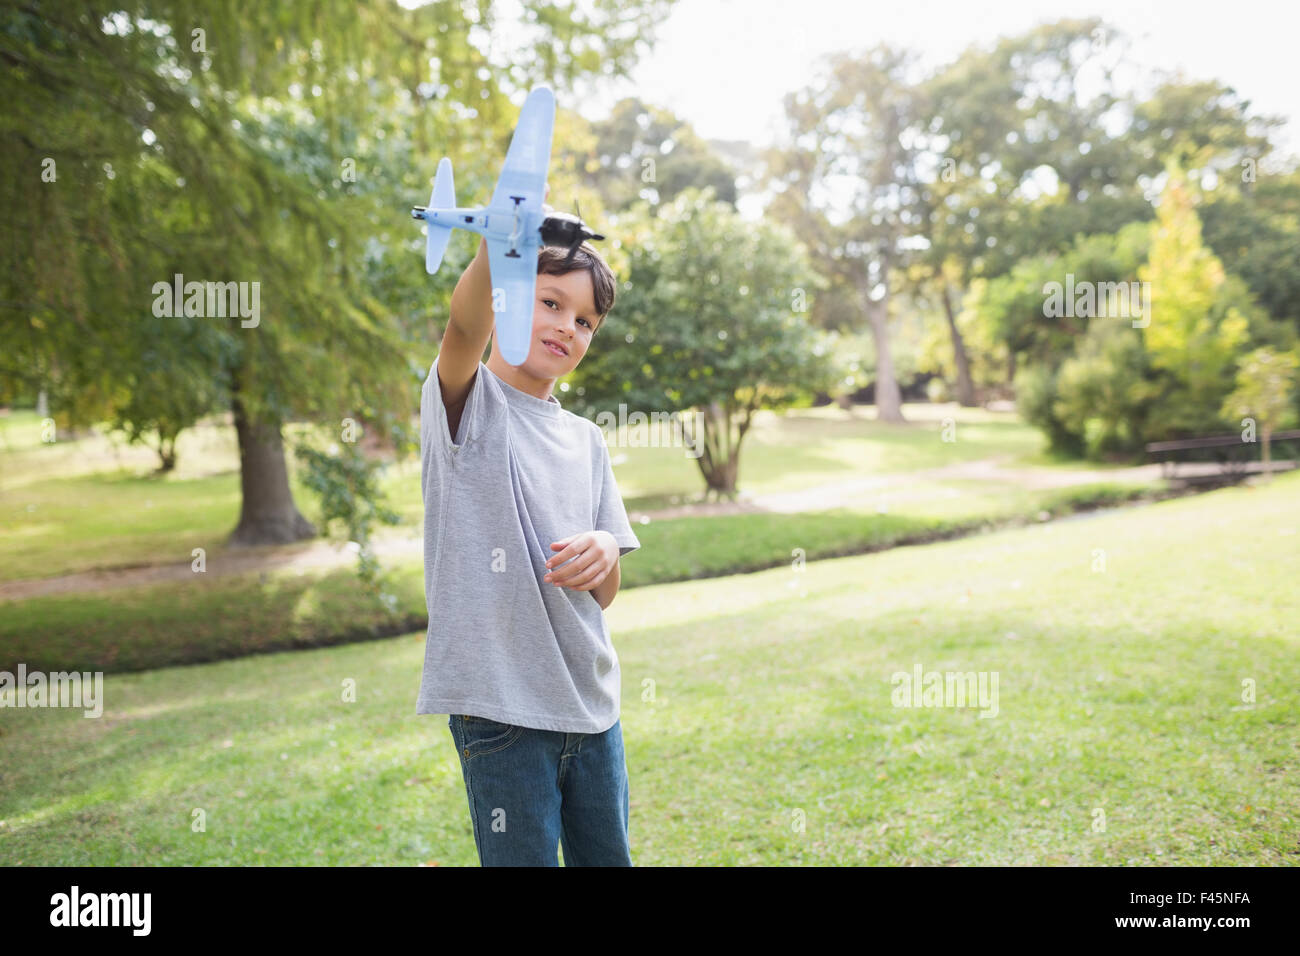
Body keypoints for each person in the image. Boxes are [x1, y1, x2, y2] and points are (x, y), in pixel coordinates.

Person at [415, 214, 641, 866]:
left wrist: (603, 547)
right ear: (509, 294)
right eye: (551, 303)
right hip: (504, 718)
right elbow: (463, 328)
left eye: (585, 321)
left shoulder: (586, 440)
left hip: (593, 710)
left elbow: (605, 595)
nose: (567, 327)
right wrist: (500, 239)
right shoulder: (465, 404)